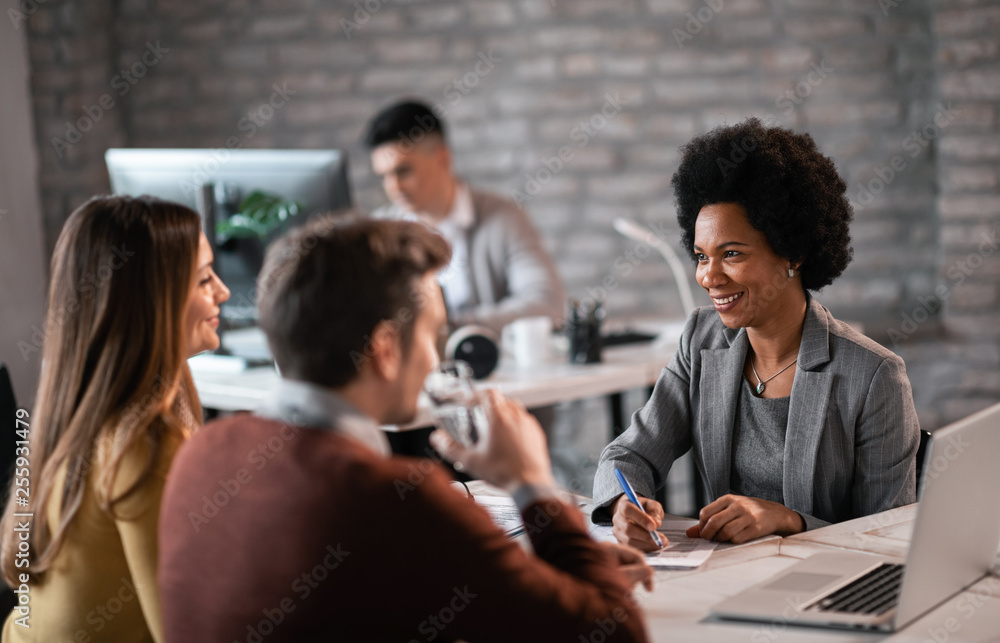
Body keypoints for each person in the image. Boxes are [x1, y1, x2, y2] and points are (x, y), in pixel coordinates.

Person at [157, 215, 651, 642]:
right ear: (386, 348)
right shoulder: (391, 500)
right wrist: (532, 482)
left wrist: (564, 575)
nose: (436, 359)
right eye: (432, 335)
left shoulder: (201, 454)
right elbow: (617, 634)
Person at [593, 118, 920, 548]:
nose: (709, 277)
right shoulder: (702, 341)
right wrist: (624, 503)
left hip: (823, 588)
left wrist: (790, 521)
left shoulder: (874, 375)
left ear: (794, 254)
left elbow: (890, 537)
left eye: (731, 254)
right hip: (724, 577)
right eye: (700, 256)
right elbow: (628, 454)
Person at [0, 196, 230, 642]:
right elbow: (186, 632)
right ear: (153, 301)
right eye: (204, 278)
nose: (221, 291)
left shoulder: (71, 416)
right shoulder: (143, 443)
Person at [366, 100, 566, 335]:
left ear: (442, 159)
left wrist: (451, 327)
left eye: (404, 171)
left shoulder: (503, 218)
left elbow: (548, 304)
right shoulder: (381, 231)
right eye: (384, 176)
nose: (393, 187)